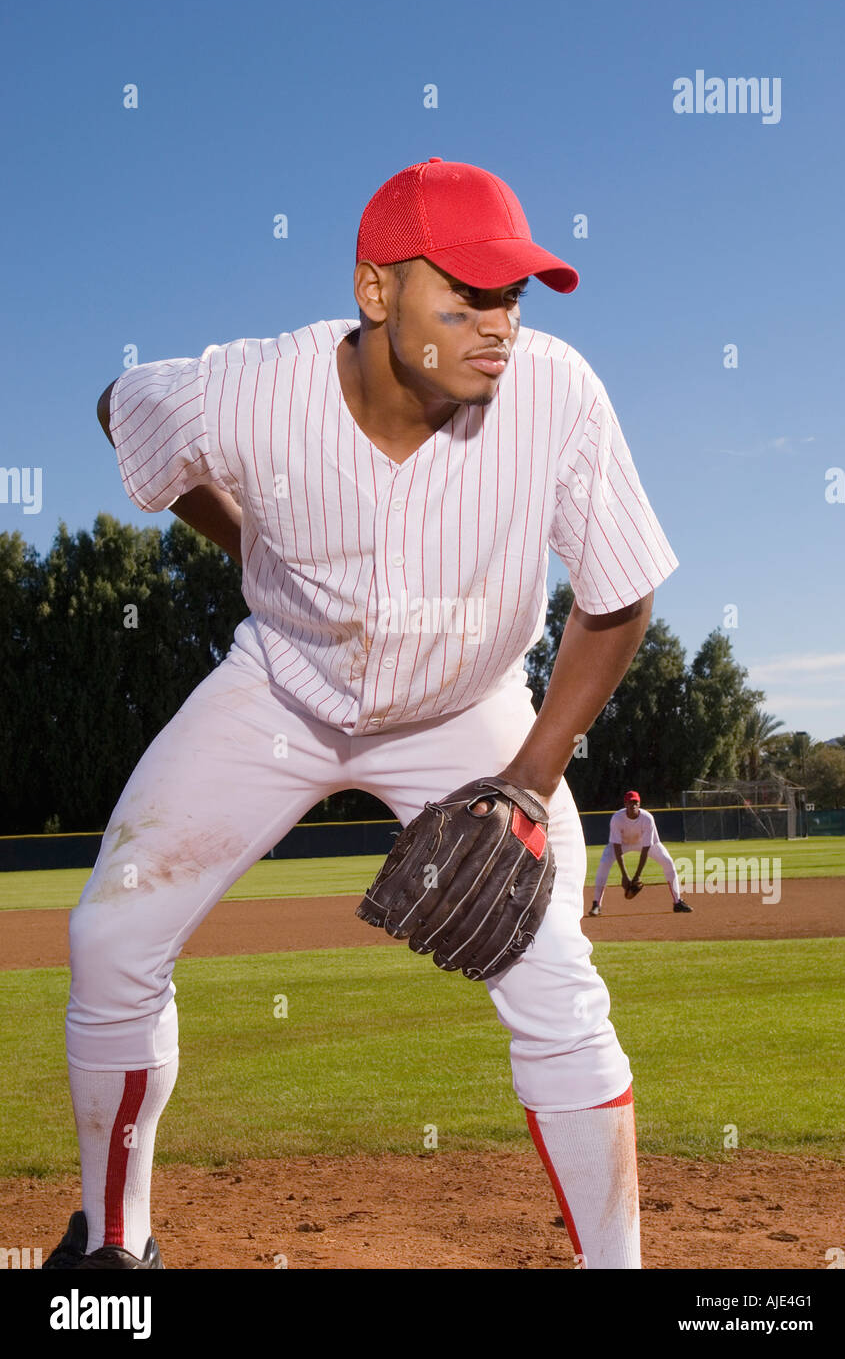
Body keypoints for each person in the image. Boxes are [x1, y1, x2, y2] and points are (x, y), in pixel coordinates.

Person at [44, 158, 678, 1272]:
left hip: (465, 711)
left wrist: (526, 779)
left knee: (556, 982)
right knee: (112, 933)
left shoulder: (555, 393)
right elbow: (120, 402)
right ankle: (113, 1245)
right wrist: (244, 536)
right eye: (466, 295)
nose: (497, 325)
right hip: (281, 687)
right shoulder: (254, 388)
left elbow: (617, 594)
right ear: (376, 292)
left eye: (512, 296)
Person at [589, 790, 692, 914]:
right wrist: (625, 875)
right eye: (630, 802)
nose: (632, 805)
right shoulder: (617, 818)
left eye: (635, 802)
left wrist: (637, 876)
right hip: (622, 844)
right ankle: (596, 905)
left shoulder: (647, 818)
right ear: (625, 804)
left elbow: (645, 849)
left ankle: (677, 902)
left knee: (668, 862)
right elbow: (616, 846)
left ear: (639, 804)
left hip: (645, 843)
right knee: (604, 863)